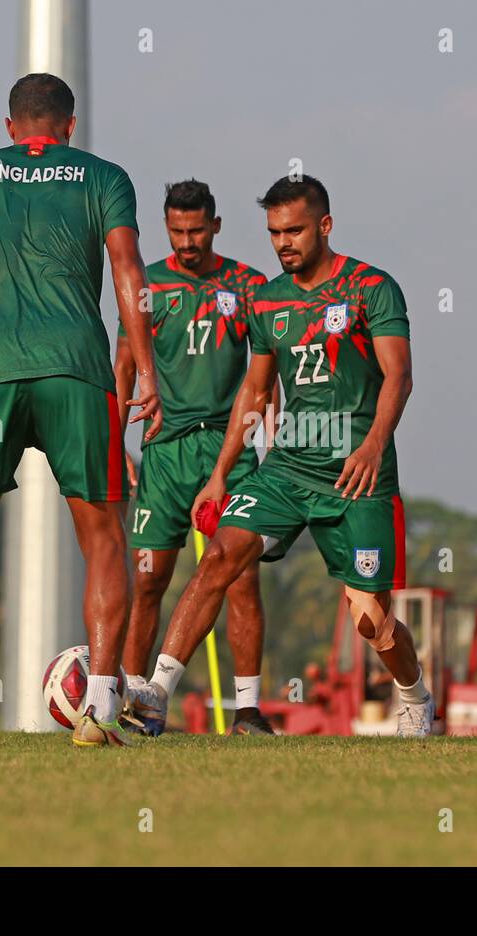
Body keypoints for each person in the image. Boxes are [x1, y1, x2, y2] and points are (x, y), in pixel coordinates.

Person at [0, 73, 161, 747]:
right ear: (70, 126)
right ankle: (100, 706)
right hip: (77, 371)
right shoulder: (104, 177)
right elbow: (130, 270)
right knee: (102, 532)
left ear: (11, 126)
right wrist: (148, 370)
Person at [126, 174, 434, 737]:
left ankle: (415, 696)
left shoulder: (372, 288)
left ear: (325, 225)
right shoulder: (268, 300)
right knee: (220, 556)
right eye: (273, 233)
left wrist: (372, 444)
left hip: (356, 478)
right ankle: (155, 694)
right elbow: (255, 389)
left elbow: (400, 376)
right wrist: (221, 475)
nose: (283, 242)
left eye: (293, 230)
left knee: (370, 619)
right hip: (287, 468)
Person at [115, 179, 272, 736]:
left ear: (216, 226)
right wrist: (117, 447)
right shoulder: (148, 286)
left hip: (228, 453)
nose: (187, 241)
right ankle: (136, 701)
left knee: (241, 578)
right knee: (149, 578)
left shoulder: (249, 285)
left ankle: (248, 710)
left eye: (197, 230)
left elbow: (266, 370)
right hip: (164, 451)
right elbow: (125, 366)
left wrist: (268, 435)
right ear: (167, 228)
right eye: (178, 231)